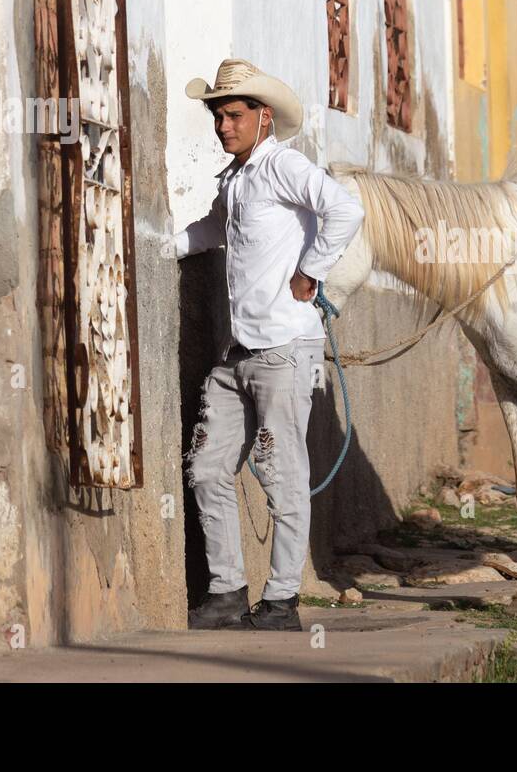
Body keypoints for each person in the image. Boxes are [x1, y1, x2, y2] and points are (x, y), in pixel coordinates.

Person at [174, 58, 364, 631]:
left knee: (282, 476)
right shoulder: (236, 181)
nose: (222, 126)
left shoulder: (284, 165)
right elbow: (210, 232)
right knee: (207, 469)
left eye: (232, 115)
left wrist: (311, 269)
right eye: (217, 116)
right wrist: (155, 244)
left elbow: (345, 209)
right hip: (237, 354)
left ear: (263, 117)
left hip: (283, 350)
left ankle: (281, 599)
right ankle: (228, 589)